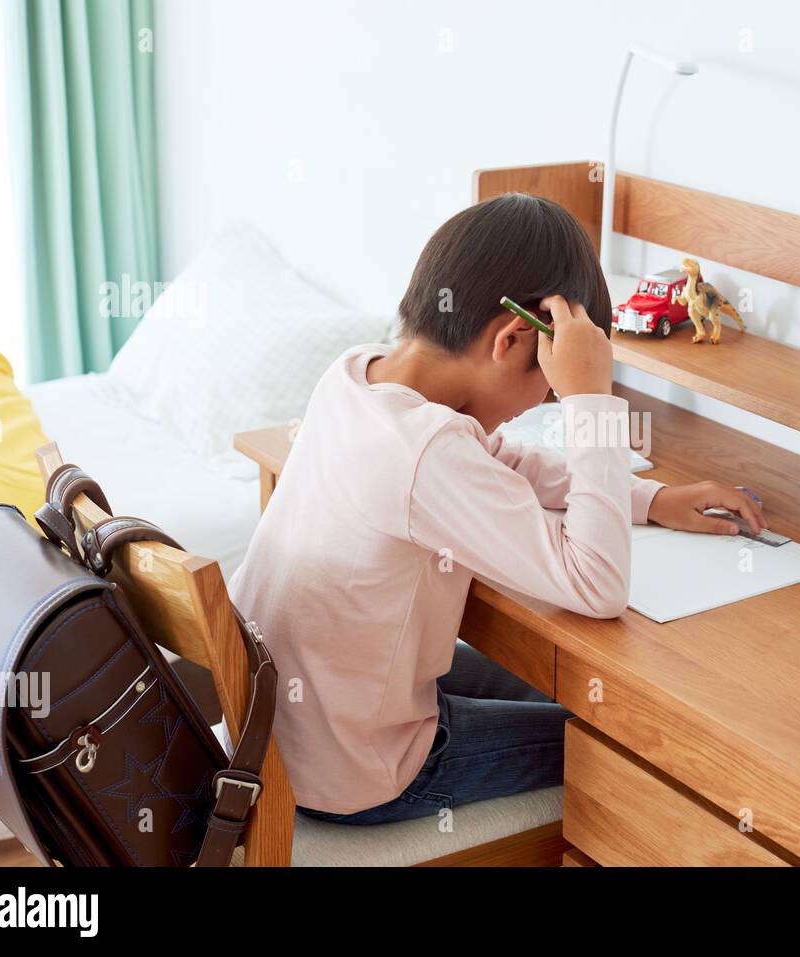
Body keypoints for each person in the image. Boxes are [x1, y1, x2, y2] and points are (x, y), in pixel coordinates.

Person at [230, 192, 766, 824]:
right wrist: (589, 398)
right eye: (548, 380)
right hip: (359, 771)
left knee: (560, 691)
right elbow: (596, 585)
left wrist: (653, 498)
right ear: (514, 339)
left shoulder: (357, 375)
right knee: (625, 745)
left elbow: (500, 462)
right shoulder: (426, 450)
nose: (542, 400)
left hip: (280, 729)